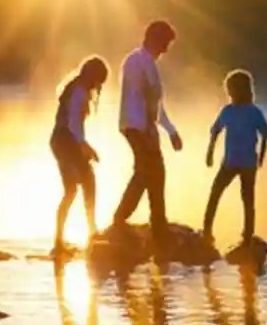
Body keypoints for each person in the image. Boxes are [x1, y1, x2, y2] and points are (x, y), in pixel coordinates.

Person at [113, 20, 183, 248]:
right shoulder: (137, 61)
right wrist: (146, 131)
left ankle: (157, 225)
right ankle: (122, 219)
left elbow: (156, 106)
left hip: (143, 127)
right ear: (155, 39)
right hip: (136, 126)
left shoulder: (147, 63)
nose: (166, 49)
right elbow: (140, 98)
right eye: (165, 43)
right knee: (146, 172)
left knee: (153, 173)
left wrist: (171, 131)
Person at [202, 69, 267, 244]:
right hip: (231, 162)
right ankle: (207, 230)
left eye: (232, 89)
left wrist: (261, 157)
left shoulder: (253, 112)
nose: (230, 93)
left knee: (247, 199)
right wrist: (209, 153)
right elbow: (215, 131)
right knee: (216, 193)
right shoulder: (228, 111)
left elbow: (266, 134)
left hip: (247, 163)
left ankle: (247, 235)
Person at [50, 56, 108, 252]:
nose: (98, 86)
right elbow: (74, 124)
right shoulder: (78, 92)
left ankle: (64, 238)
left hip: (63, 142)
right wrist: (85, 146)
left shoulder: (76, 88)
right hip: (66, 143)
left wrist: (83, 146)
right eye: (99, 81)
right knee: (79, 186)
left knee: (78, 187)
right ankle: (85, 233)